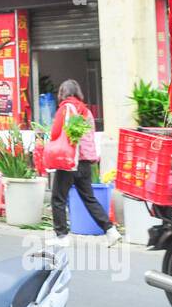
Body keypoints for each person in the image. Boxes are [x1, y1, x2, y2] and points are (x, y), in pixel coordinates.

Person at [47, 80, 118, 244]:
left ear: (62, 93)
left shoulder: (66, 108)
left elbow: (56, 132)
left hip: (70, 161)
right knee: (89, 198)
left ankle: (62, 236)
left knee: (58, 198)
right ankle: (110, 230)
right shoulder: (86, 111)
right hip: (85, 162)